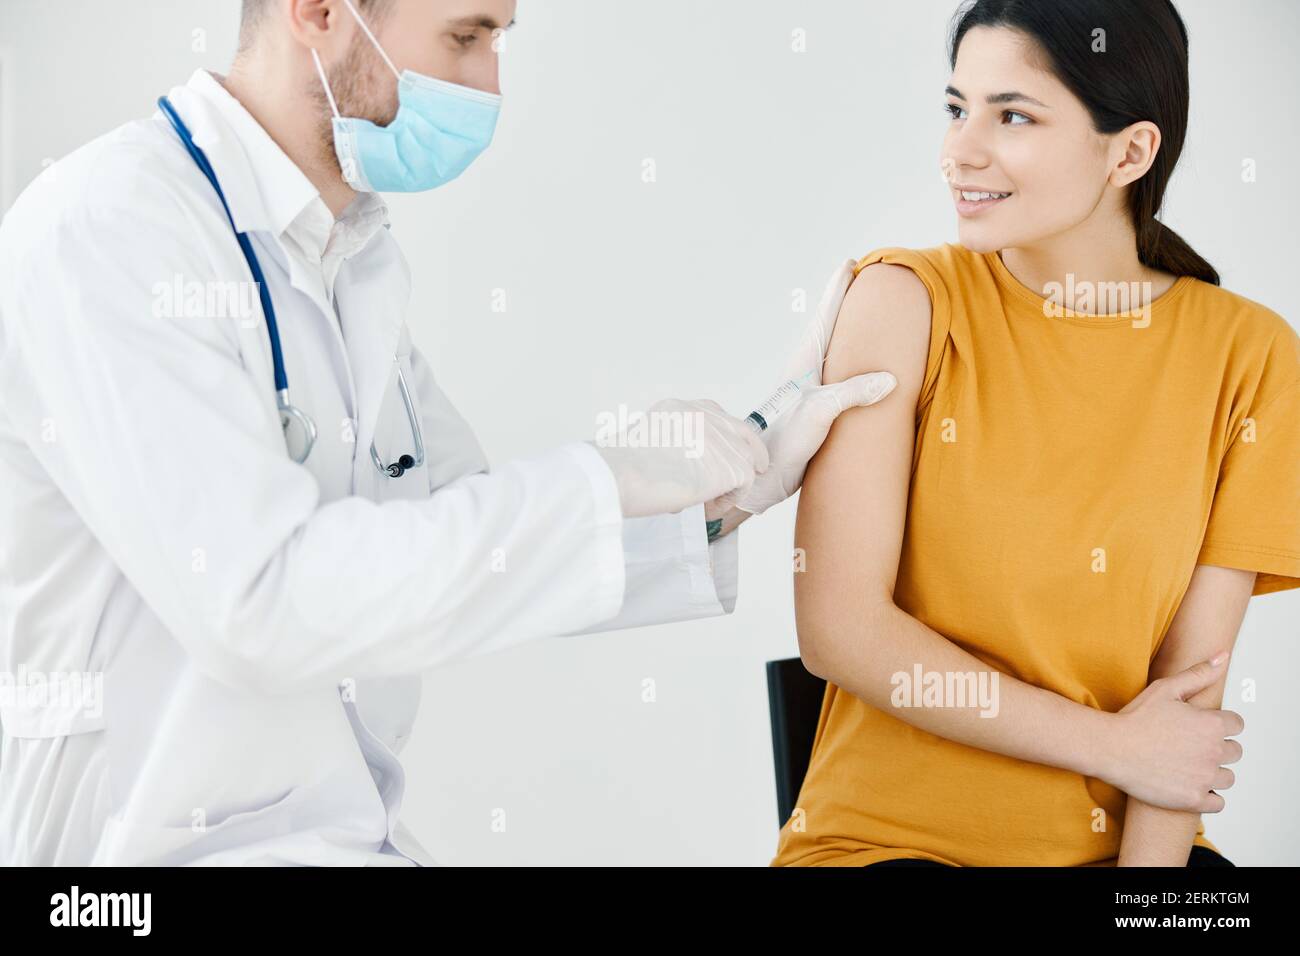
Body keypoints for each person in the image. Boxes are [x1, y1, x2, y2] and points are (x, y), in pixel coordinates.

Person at [0, 0, 897, 865]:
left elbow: (468, 541)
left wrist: (729, 489)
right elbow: (259, 603)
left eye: (498, 39)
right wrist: (609, 474)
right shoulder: (108, 228)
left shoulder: (349, 251)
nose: (489, 87)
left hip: (334, 837)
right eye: (466, 37)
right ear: (317, 11)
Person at [771, 0, 1299, 867]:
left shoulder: (1249, 355)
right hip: (886, 850)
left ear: (1128, 151)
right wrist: (1113, 748)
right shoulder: (901, 302)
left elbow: (1189, 698)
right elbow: (841, 629)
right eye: (956, 108)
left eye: (1011, 114)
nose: (960, 152)